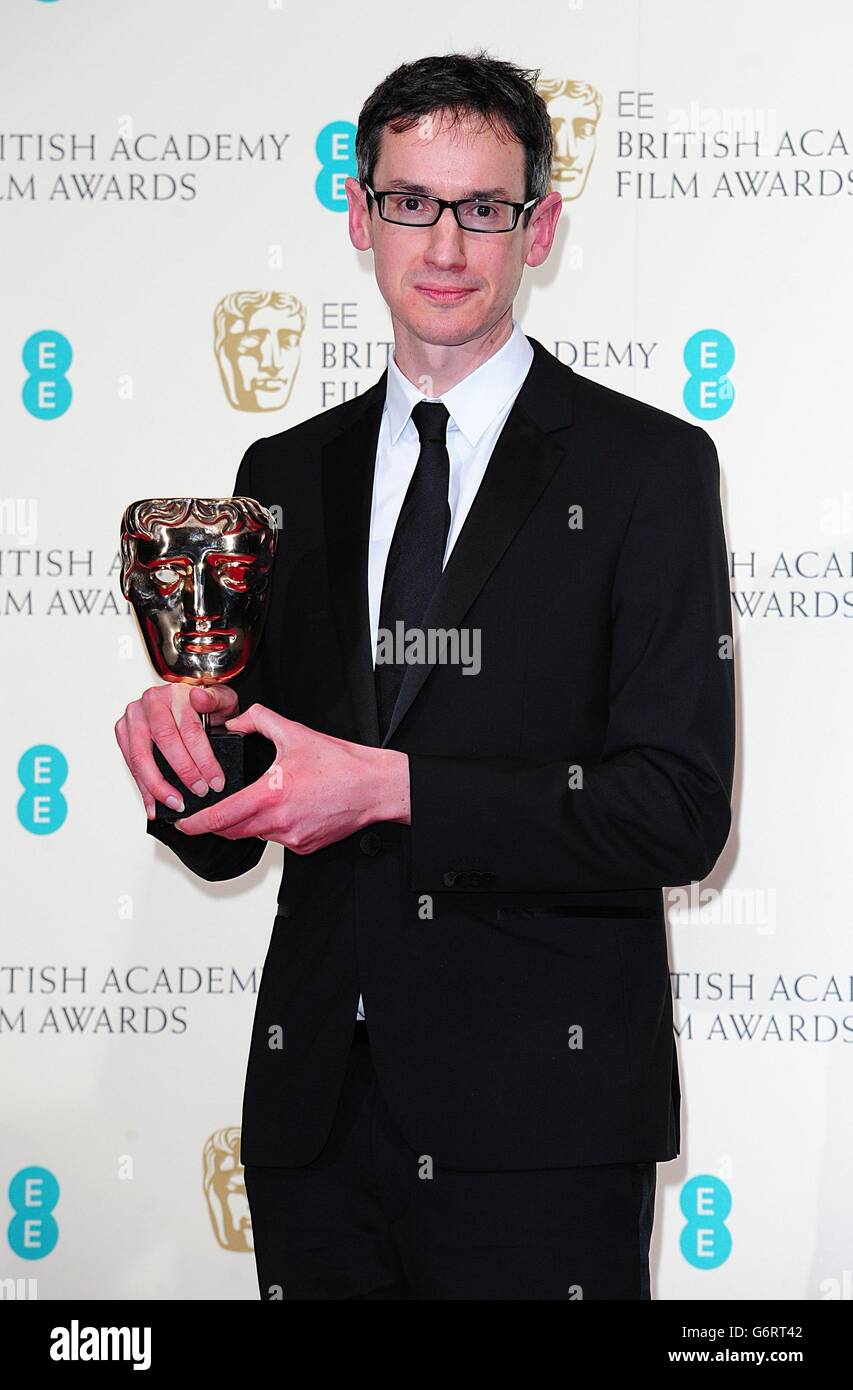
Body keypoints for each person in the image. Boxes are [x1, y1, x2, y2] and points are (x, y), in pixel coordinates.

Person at [115, 51, 736, 1300]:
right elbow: (250, 818)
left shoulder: (644, 470)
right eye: (410, 201)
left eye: (483, 208)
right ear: (357, 211)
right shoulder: (282, 471)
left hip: (542, 1136)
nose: (444, 245)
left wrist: (396, 788)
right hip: (318, 1132)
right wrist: (184, 766)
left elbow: (675, 809)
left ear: (538, 226)